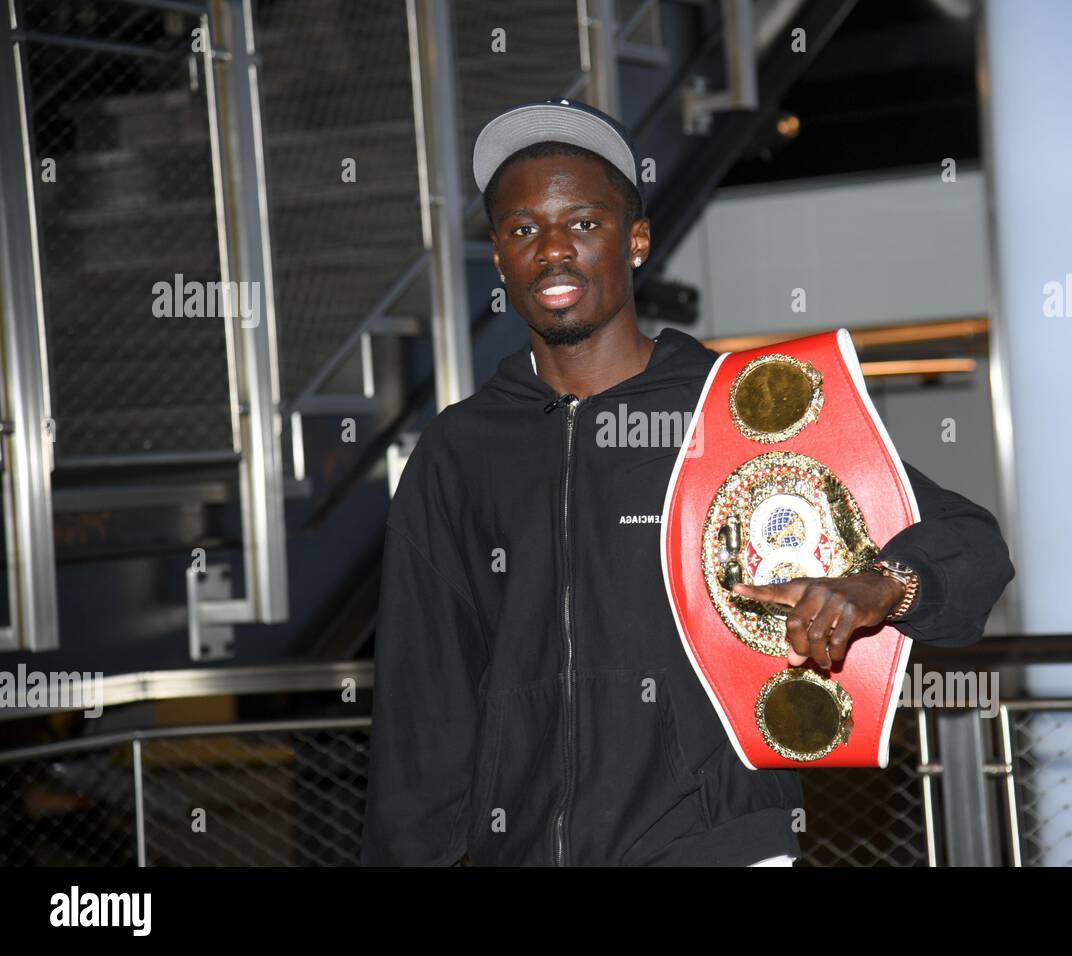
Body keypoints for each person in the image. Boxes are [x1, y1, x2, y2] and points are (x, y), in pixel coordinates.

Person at [360, 99, 1015, 867]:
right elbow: (422, 704)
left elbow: (972, 545)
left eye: (584, 222)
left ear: (635, 241)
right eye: (523, 229)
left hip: (716, 842)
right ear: (500, 257)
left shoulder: (743, 409)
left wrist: (881, 586)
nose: (553, 250)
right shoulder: (458, 451)